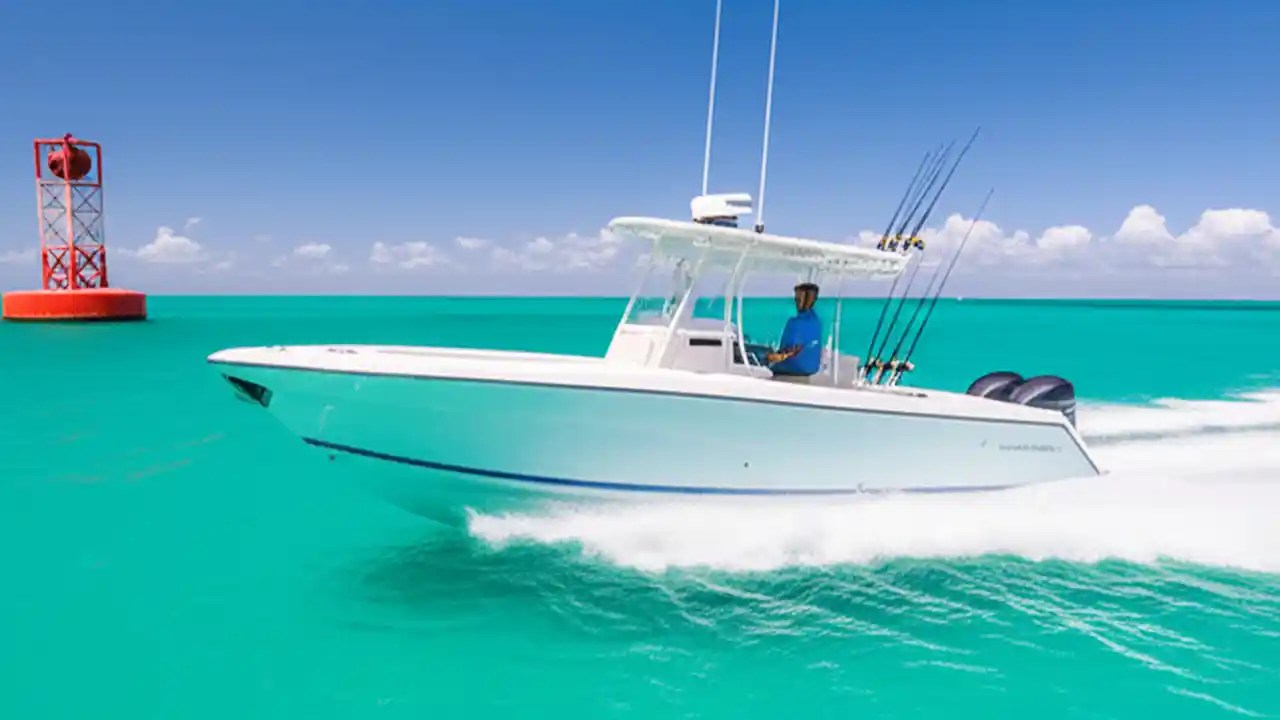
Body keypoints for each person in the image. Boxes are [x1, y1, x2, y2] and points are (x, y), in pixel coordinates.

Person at [767, 282, 822, 382]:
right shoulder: (816, 321)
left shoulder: (797, 323)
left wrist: (770, 357)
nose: (796, 303)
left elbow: (792, 351)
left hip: (792, 370)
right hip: (808, 370)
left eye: (798, 299)